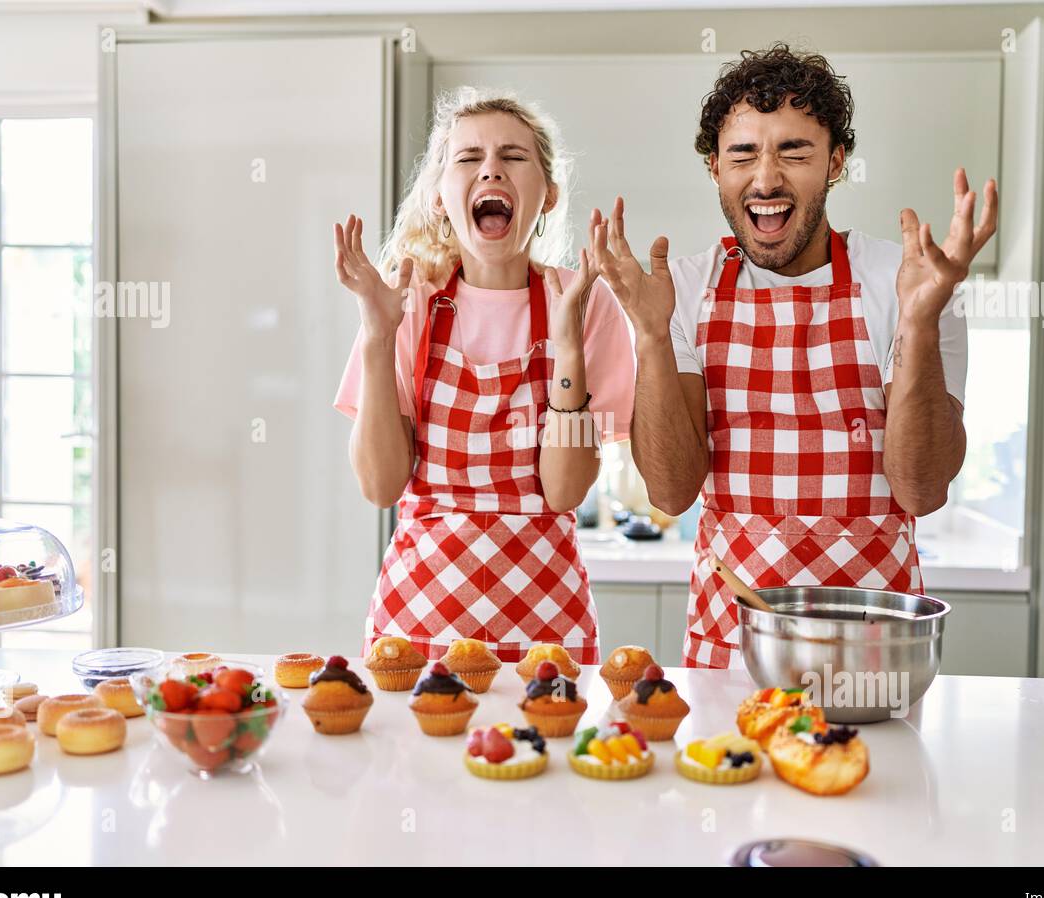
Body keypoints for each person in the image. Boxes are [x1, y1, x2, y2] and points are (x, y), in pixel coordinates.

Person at [593, 44, 997, 667]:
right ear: (714, 169)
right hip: (733, 650)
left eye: (794, 151)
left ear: (836, 162)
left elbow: (920, 489)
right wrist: (648, 334)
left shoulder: (908, 280)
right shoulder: (680, 290)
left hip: (873, 650)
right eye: (743, 153)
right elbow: (672, 493)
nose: (765, 179)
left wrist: (918, 324)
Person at [333, 88, 634, 664]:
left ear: (547, 195)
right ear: (442, 197)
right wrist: (376, 338)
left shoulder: (584, 302)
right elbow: (380, 486)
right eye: (468, 158)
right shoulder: (407, 303)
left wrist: (566, 348)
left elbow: (564, 492)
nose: (491, 168)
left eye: (514, 157)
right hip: (418, 623)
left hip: (548, 630)